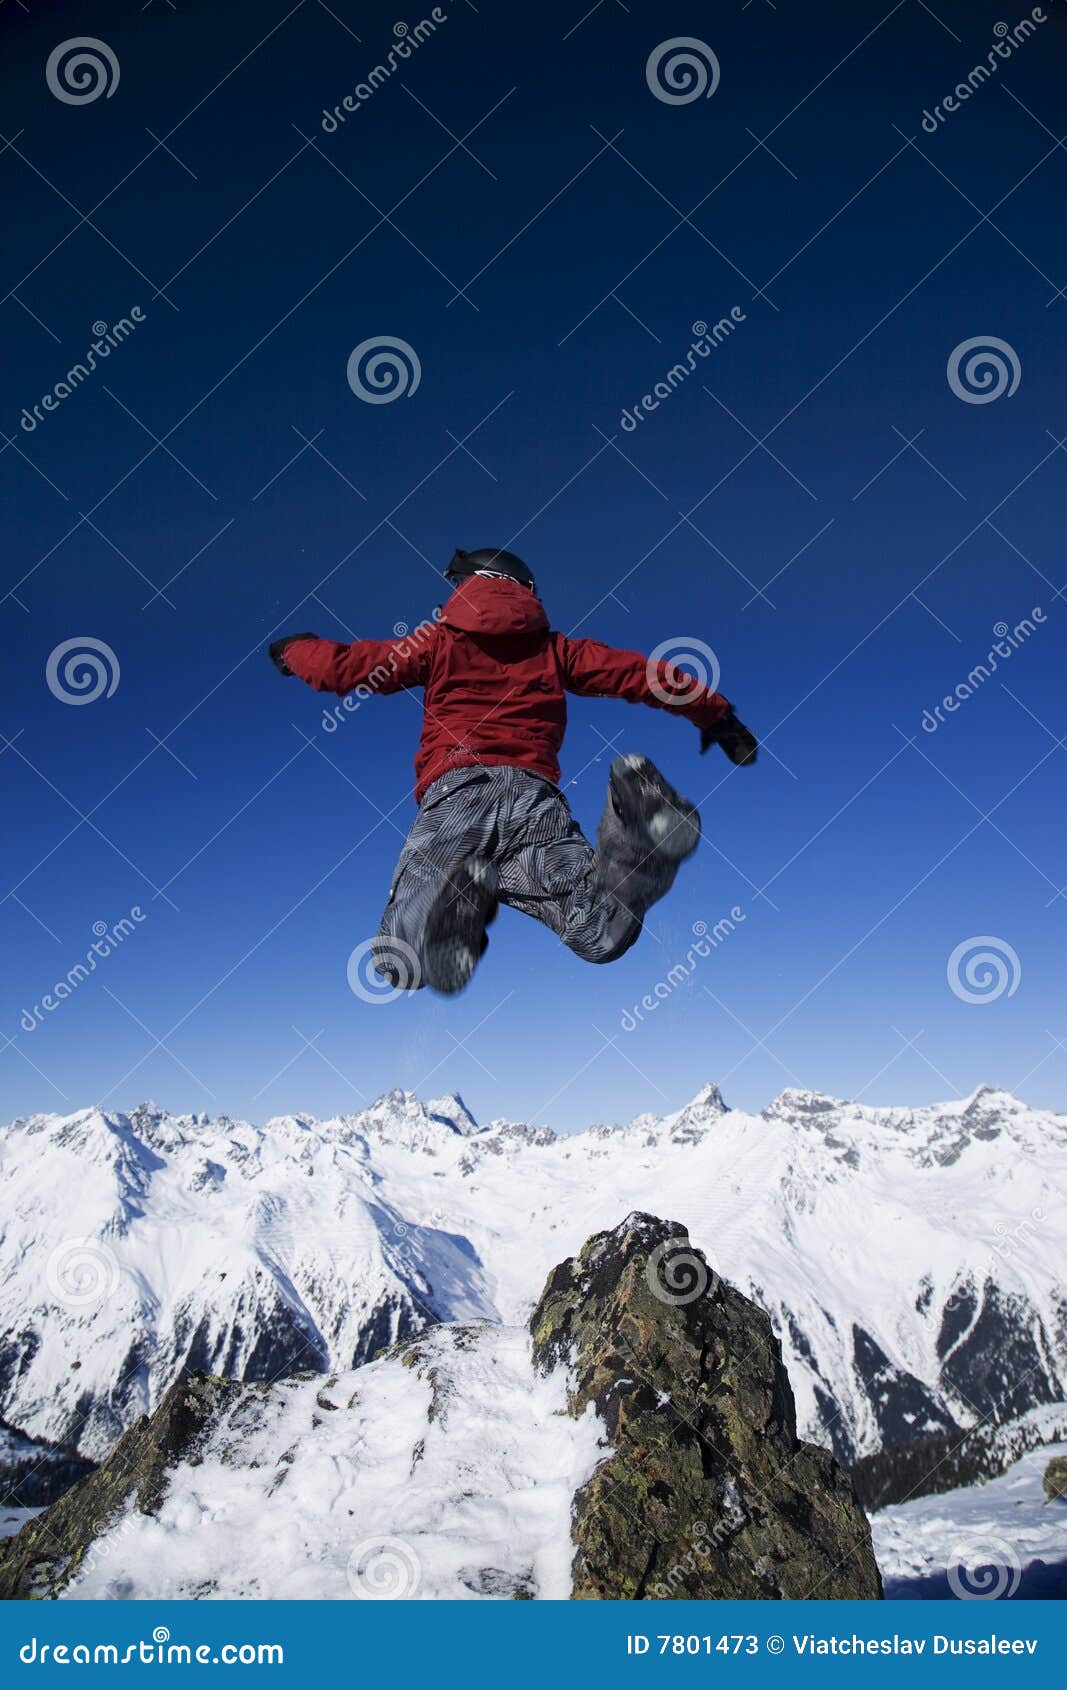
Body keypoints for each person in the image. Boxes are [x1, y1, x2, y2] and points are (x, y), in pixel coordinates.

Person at [269, 548, 757, 995]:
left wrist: (295, 650)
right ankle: (635, 839)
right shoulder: (554, 650)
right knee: (596, 929)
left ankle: (454, 898)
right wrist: (715, 715)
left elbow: (347, 668)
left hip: (460, 791)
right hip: (534, 801)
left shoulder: (437, 641)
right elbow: (634, 674)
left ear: (469, 584)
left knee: (401, 959)